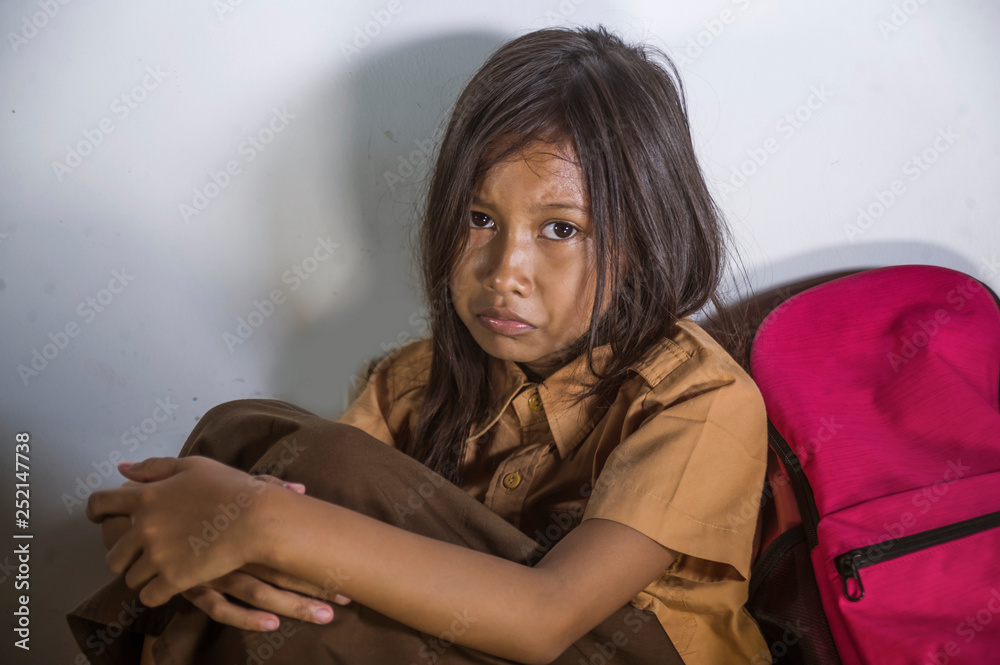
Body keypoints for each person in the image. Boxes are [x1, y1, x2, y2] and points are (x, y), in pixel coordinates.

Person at [67, 25, 769, 665]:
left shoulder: (700, 399)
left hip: (614, 651)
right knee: (243, 443)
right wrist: (225, 546)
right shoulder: (415, 380)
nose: (503, 272)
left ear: (647, 235)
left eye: (561, 229)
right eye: (480, 218)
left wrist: (260, 522)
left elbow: (544, 617)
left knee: (288, 482)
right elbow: (309, 546)